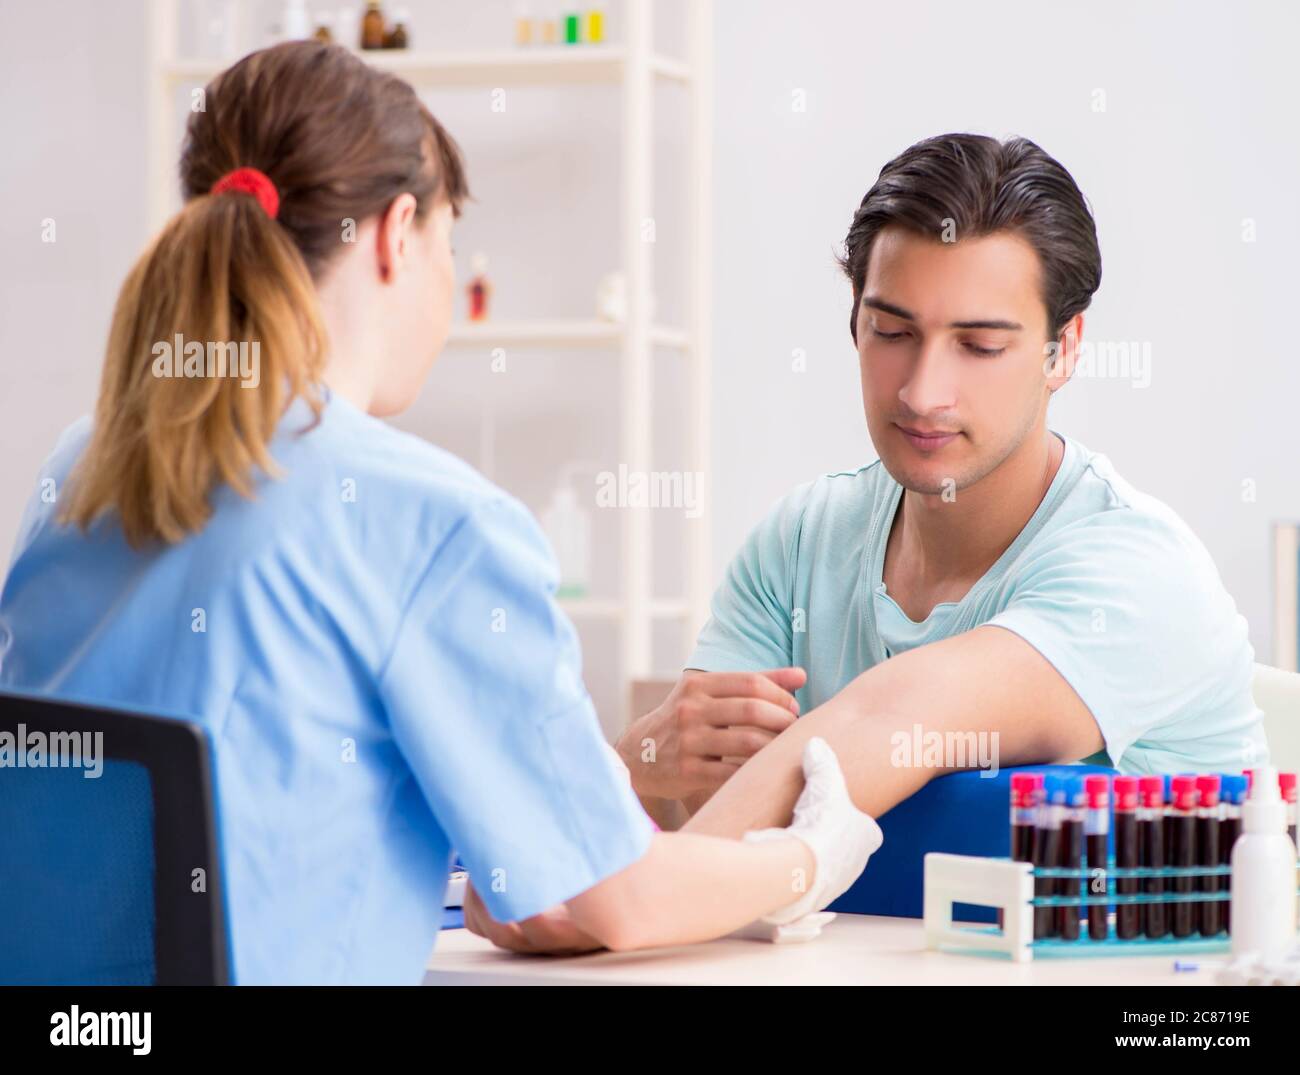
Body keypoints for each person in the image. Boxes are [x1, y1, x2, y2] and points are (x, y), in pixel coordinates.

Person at [0, 42, 881, 983]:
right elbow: (614, 896)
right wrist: (808, 857)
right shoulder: (427, 521)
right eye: (450, 247)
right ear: (397, 233)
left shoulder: (84, 469)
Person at [614, 133, 1267, 840]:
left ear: (1065, 349)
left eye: (980, 347)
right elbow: (712, 811)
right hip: (850, 953)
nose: (924, 394)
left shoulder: (1138, 571)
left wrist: (618, 852)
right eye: (892, 332)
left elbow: (895, 721)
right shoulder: (800, 540)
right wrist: (641, 757)